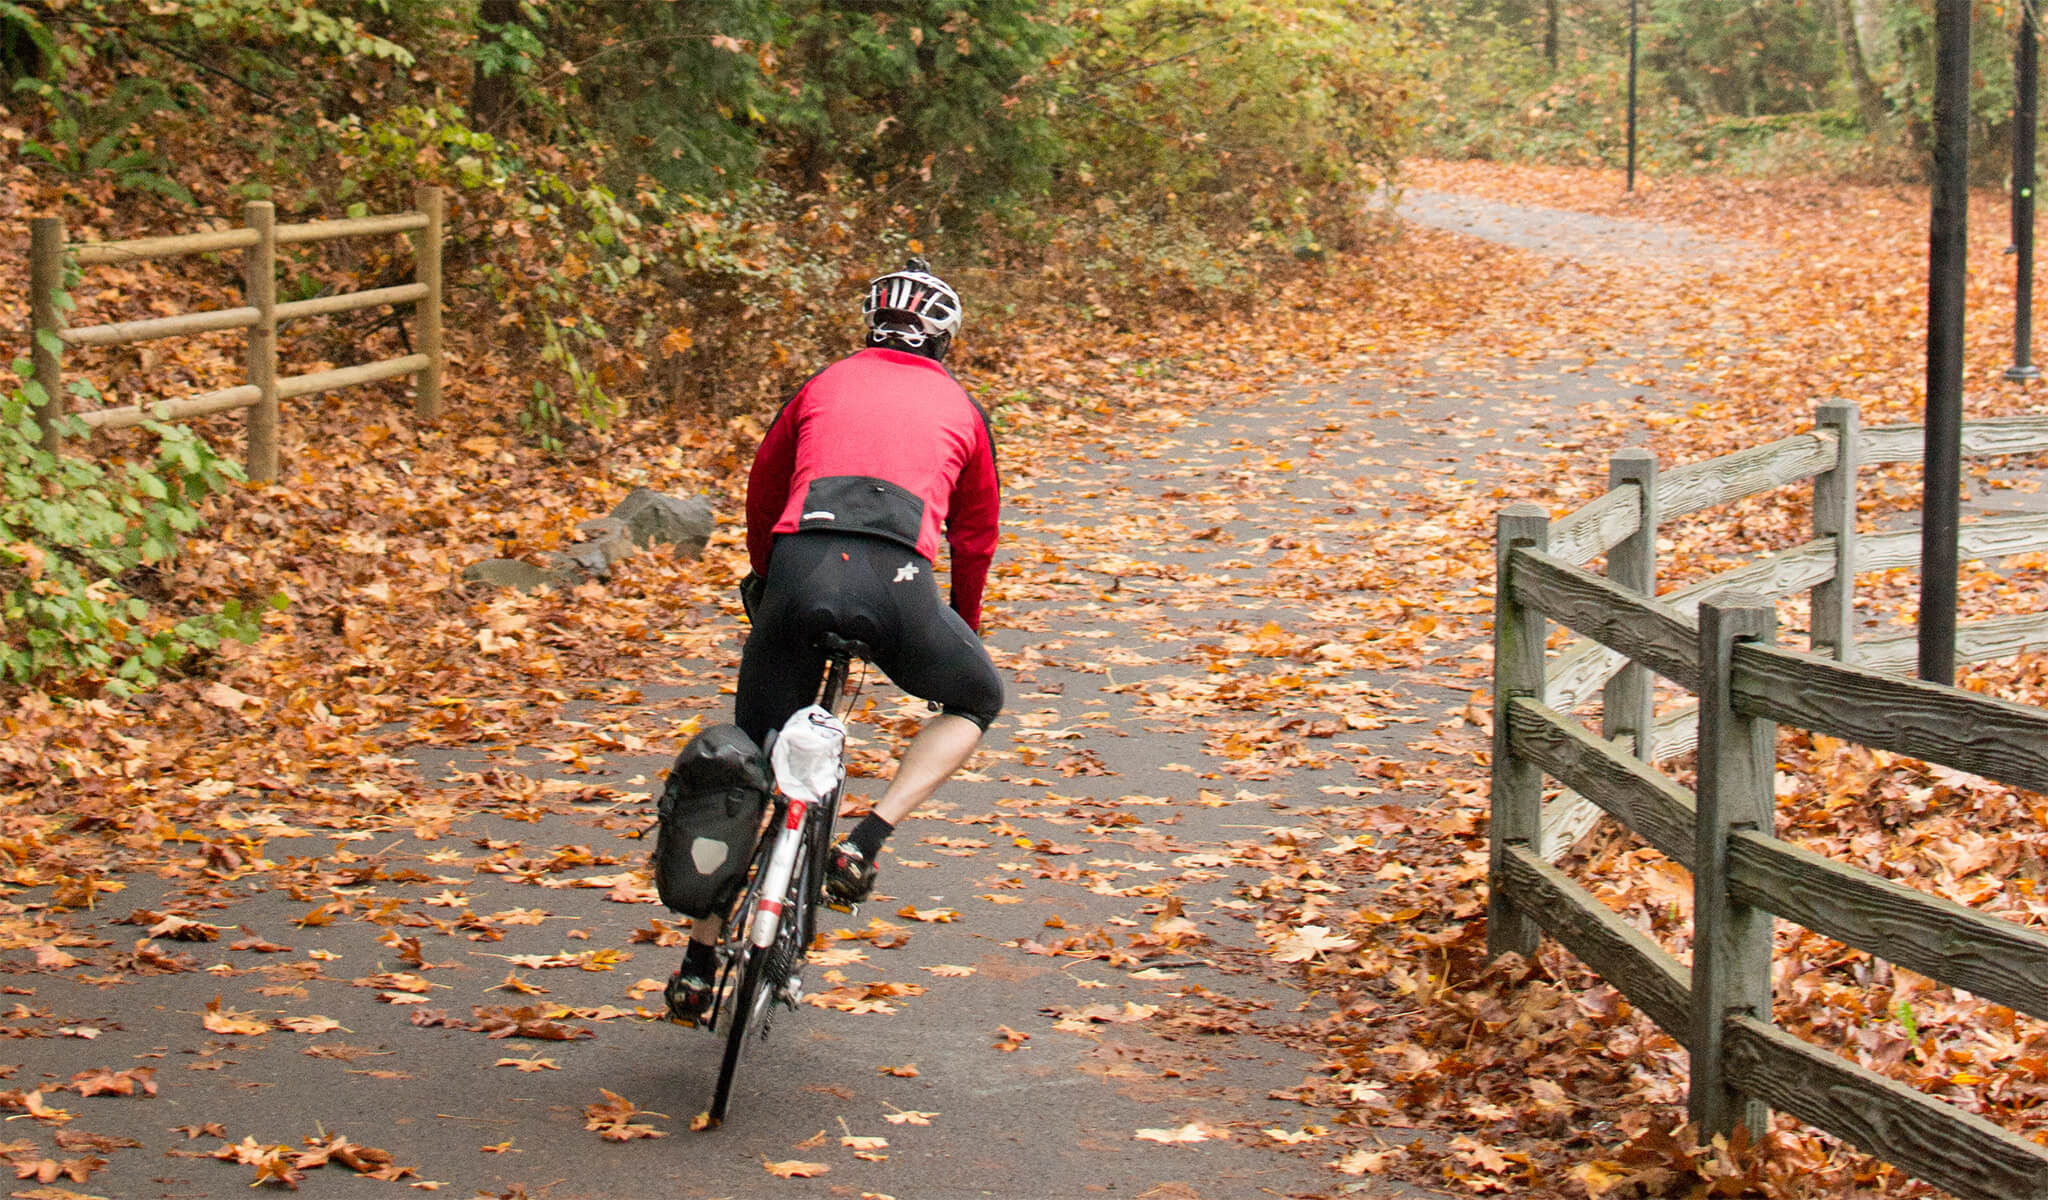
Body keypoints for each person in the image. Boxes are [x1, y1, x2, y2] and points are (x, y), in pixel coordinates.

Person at [667, 257, 1004, 1022]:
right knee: (978, 699)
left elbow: (764, 489)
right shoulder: (963, 407)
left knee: (751, 765)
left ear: (870, 326)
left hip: (800, 572)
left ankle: (697, 963)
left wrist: (767, 578)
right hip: (899, 587)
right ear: (944, 342)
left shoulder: (821, 384)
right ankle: (865, 842)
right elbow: (975, 537)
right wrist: (963, 624)